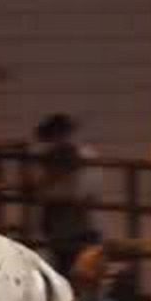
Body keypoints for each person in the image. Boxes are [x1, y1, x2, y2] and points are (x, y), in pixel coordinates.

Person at [31, 113, 101, 277]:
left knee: (67, 265)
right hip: (76, 222)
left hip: (66, 222)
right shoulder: (86, 154)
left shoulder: (59, 157)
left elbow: (43, 187)